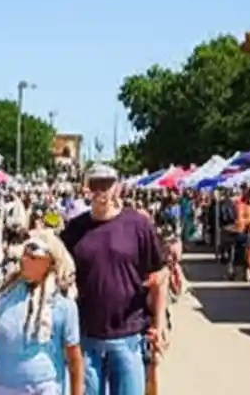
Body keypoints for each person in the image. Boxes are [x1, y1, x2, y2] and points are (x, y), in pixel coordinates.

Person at [61, 164, 167, 395]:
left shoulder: (137, 225)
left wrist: (159, 324)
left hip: (129, 337)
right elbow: (56, 269)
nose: (101, 191)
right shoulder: (74, 230)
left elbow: (159, 276)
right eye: (95, 184)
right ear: (86, 189)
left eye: (106, 184)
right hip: (87, 337)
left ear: (117, 188)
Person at [0, 230, 82, 395]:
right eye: (24, 255)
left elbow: (74, 359)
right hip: (3, 386)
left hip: (44, 388)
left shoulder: (63, 306)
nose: (25, 260)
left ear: (50, 262)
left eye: (33, 258)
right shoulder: (3, 298)